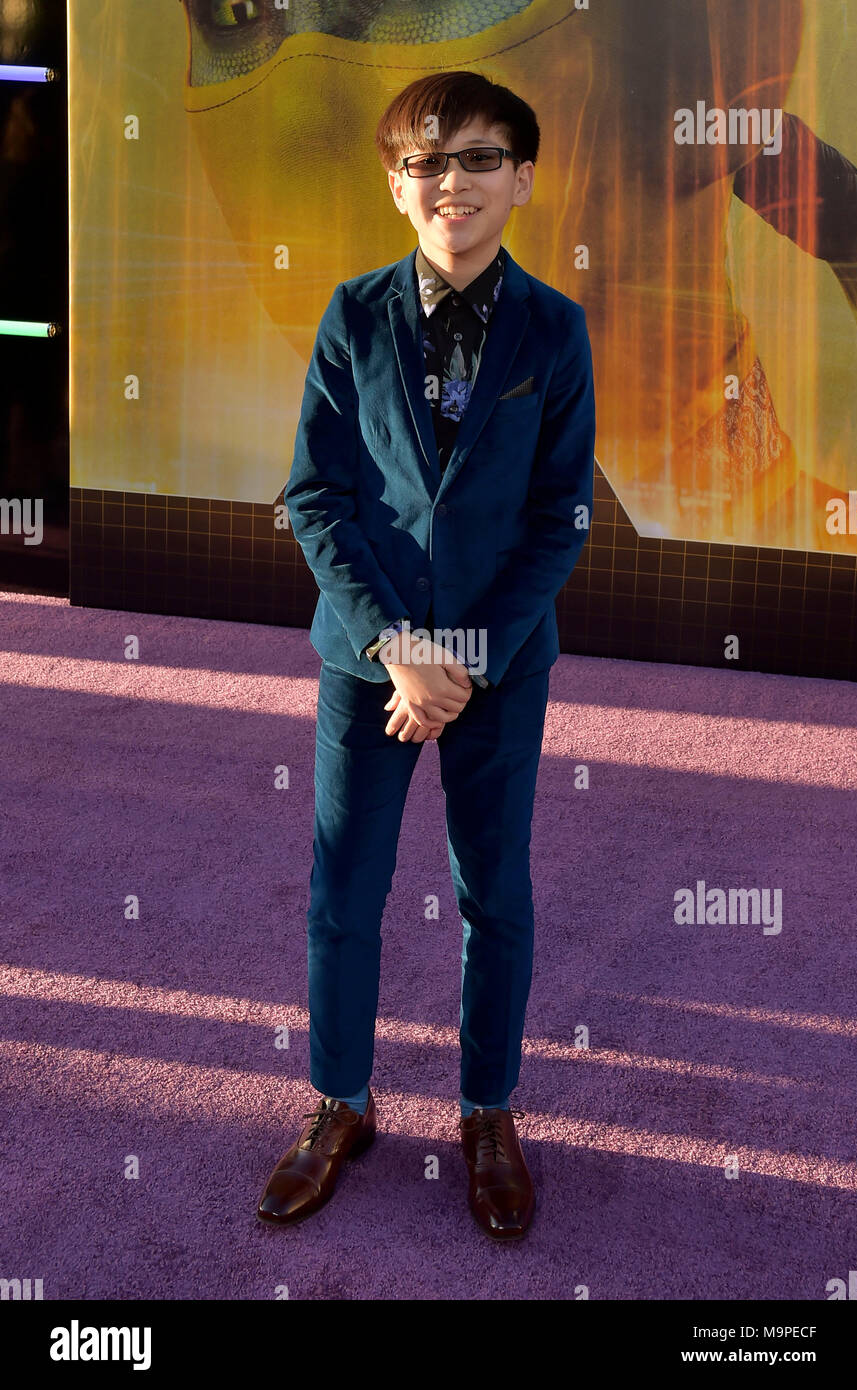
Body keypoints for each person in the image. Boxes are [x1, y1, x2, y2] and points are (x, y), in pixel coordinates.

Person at [257, 70, 595, 1240]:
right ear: (395, 184)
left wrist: (462, 657)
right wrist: (400, 647)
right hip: (372, 664)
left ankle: (486, 1111)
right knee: (343, 890)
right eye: (427, 161)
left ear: (522, 179)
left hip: (496, 669)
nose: (452, 181)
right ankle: (338, 1102)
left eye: (479, 158)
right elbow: (316, 500)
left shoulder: (555, 329)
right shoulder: (351, 316)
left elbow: (558, 518)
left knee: (491, 894)